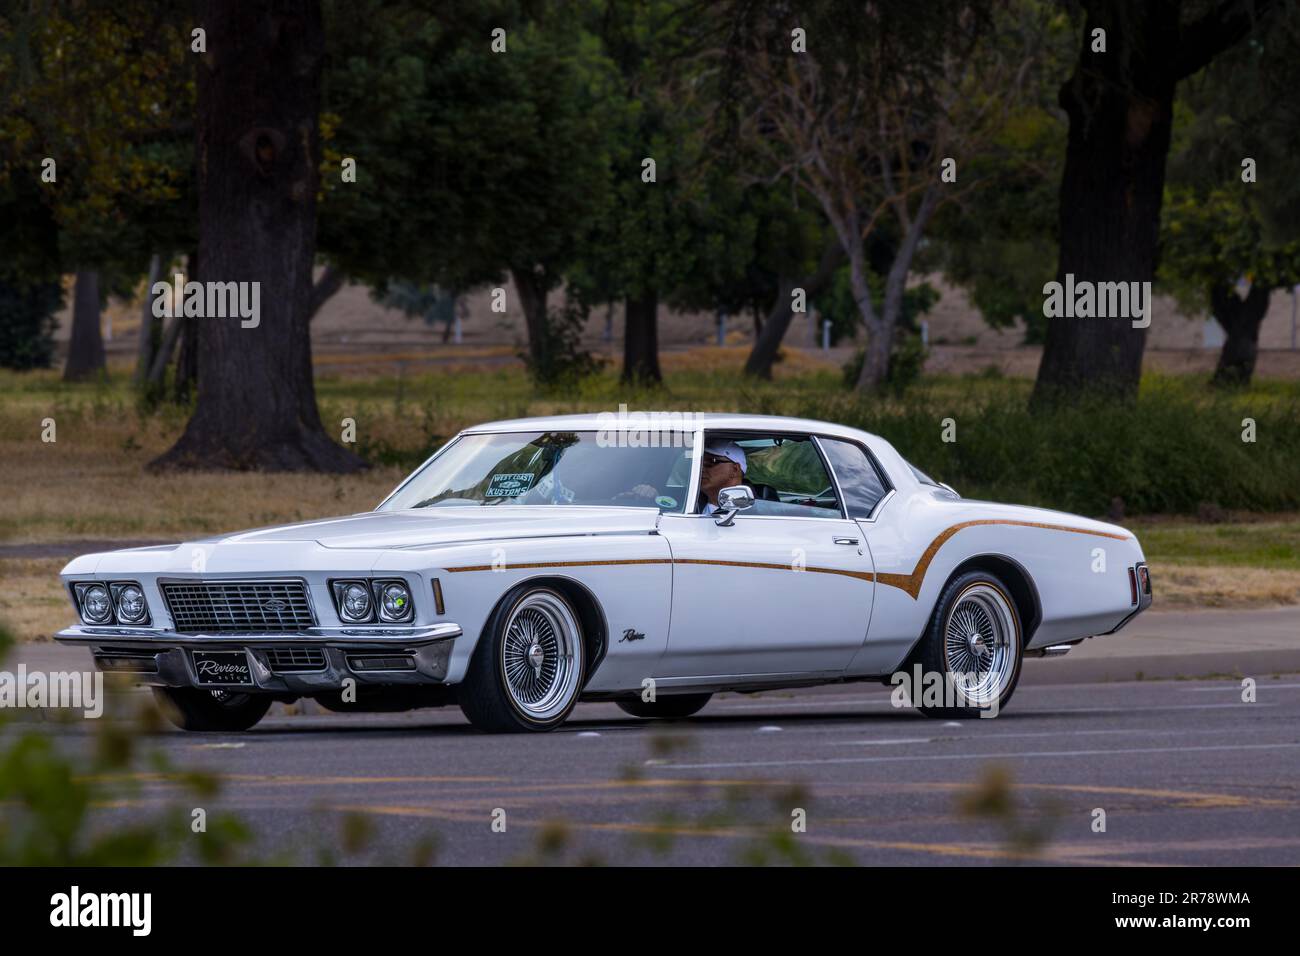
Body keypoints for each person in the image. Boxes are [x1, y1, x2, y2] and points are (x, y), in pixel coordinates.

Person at [698, 440, 747, 515]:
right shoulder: (688, 502)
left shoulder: (755, 512)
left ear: (735, 469)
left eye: (712, 461)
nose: (702, 469)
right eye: (700, 463)